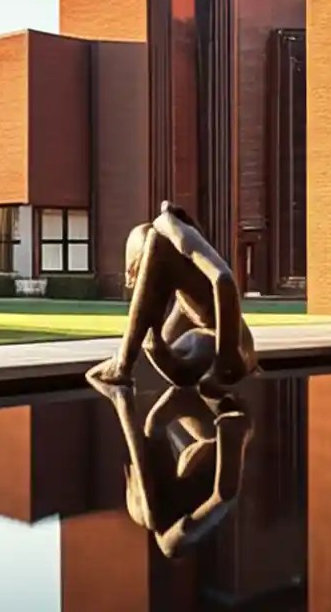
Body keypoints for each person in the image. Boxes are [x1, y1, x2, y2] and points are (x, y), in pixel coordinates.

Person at [86, 364, 253, 558]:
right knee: (159, 521)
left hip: (175, 505)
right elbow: (224, 497)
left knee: (156, 518)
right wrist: (122, 400)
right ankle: (124, 394)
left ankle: (124, 394)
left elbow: (145, 447)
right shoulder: (166, 514)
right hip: (219, 438)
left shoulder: (160, 510)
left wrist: (122, 399)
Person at [93, 201, 259, 391]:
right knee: (154, 343)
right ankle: (122, 364)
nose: (141, 283)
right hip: (219, 358)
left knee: (157, 240)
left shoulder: (170, 235)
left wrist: (226, 356)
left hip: (235, 356)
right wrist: (154, 345)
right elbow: (168, 355)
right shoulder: (186, 299)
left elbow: (224, 279)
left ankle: (123, 365)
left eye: (136, 273)